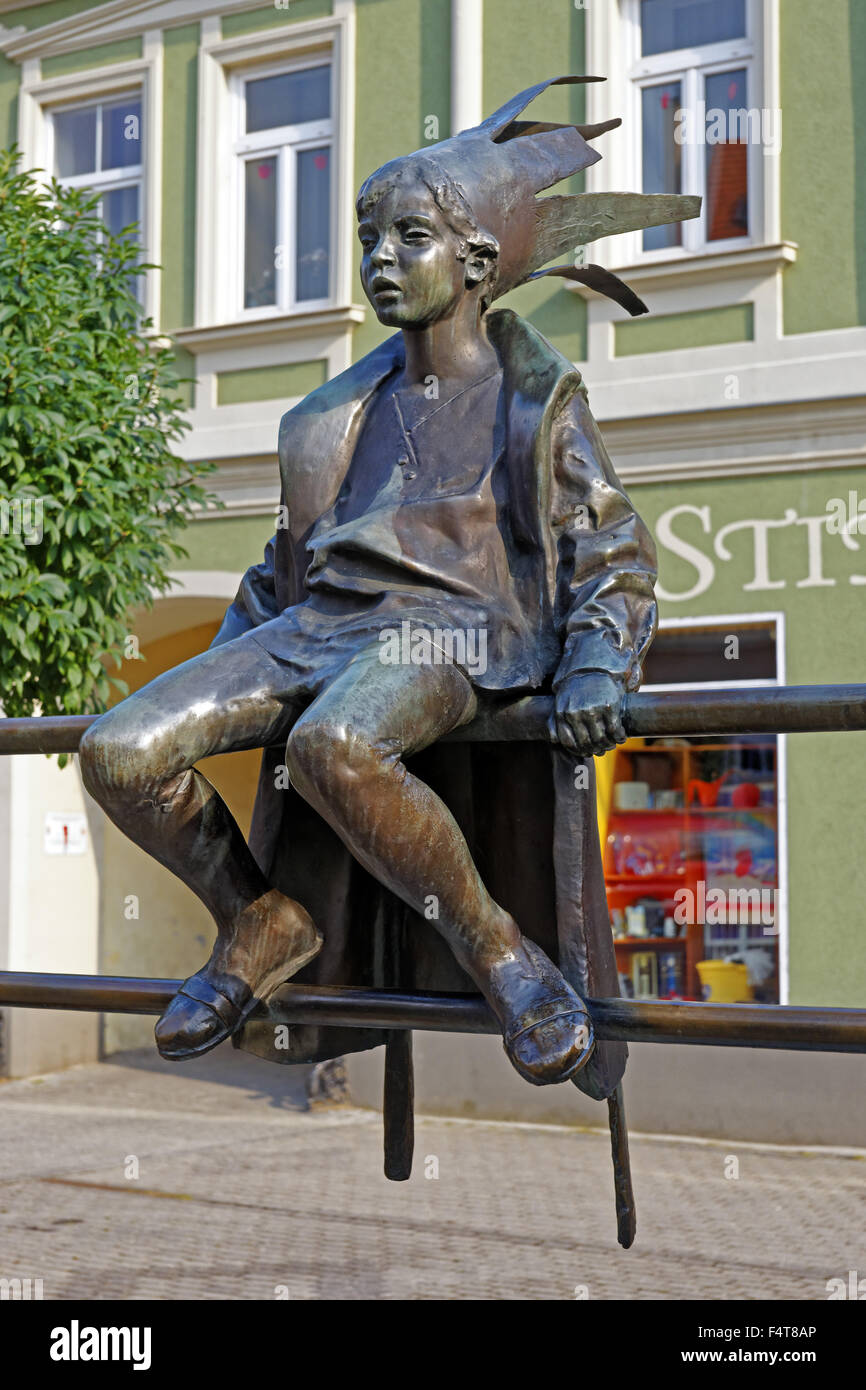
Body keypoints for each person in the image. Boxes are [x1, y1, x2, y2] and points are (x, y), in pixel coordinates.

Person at [79, 77, 695, 1089]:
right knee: (118, 750)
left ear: (476, 260)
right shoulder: (332, 416)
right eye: (368, 236)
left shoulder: (532, 395)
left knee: (333, 742)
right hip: (318, 627)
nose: (378, 258)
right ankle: (260, 916)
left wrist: (596, 659)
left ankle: (499, 951)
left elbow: (608, 544)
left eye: (408, 236)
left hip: (451, 629)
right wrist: (225, 669)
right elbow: (281, 570)